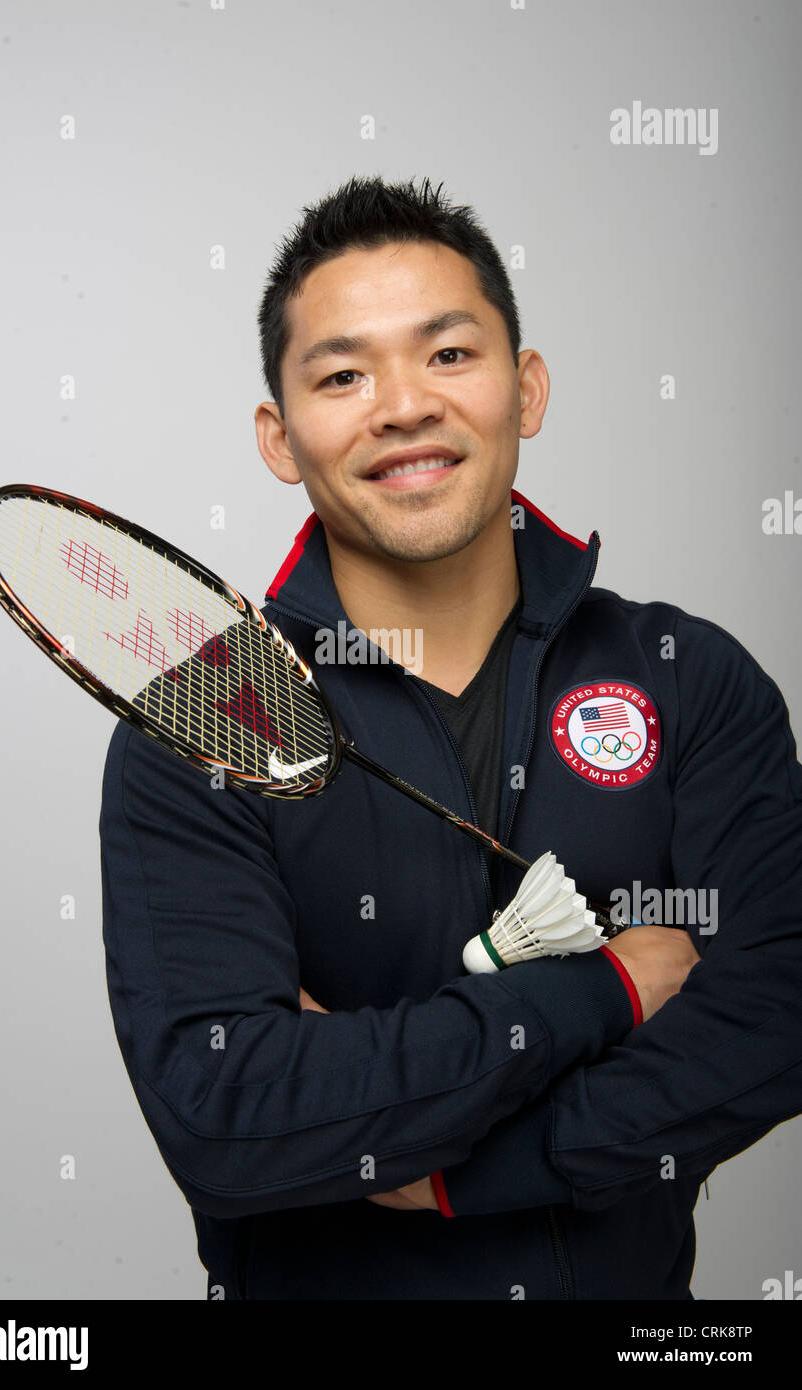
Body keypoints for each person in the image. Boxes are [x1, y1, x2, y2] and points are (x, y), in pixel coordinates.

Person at [99, 175, 802, 1300]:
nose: (402, 406)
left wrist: (446, 1172)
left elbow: (773, 1012)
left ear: (525, 389)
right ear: (281, 438)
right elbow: (229, 1114)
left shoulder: (690, 679)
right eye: (342, 374)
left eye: (448, 355)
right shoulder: (204, 722)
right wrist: (605, 995)